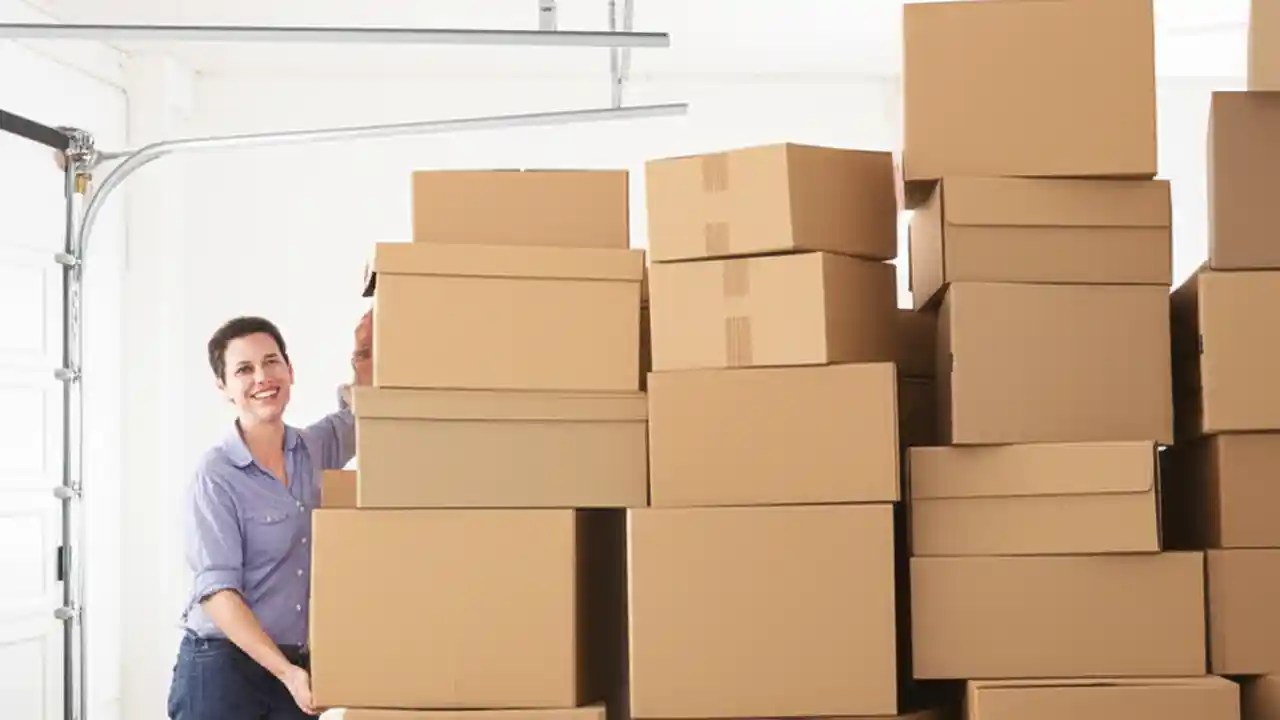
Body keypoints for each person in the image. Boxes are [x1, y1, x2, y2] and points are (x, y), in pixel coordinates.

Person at [167, 311, 373, 719]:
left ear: (290, 370)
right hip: (225, 669)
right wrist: (288, 674)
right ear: (224, 387)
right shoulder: (217, 474)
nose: (262, 377)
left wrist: (367, 347)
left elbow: (365, 412)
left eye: (271, 361)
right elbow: (218, 594)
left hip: (294, 666)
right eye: (244, 369)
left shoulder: (314, 449)